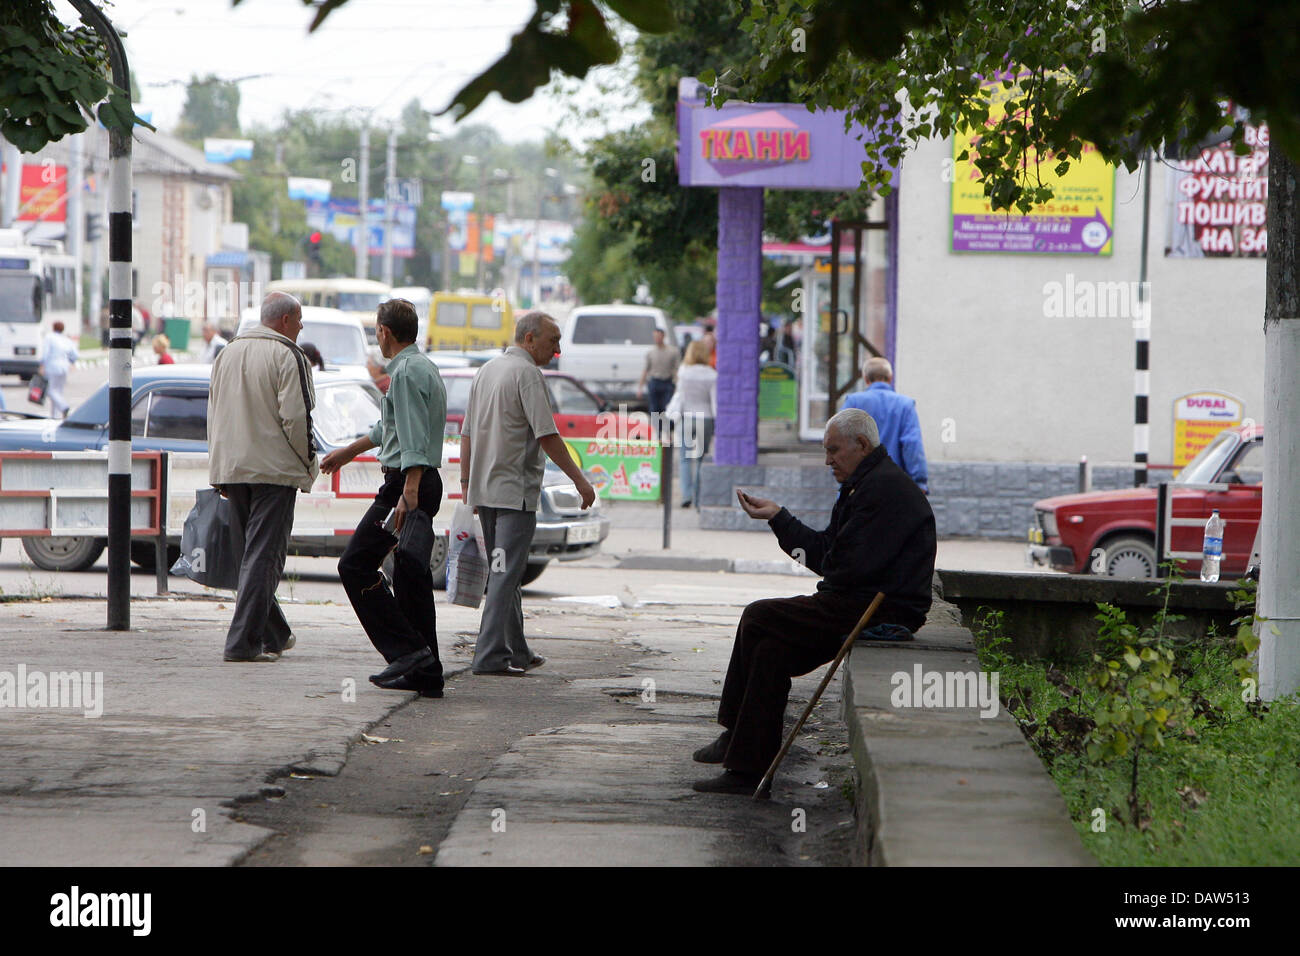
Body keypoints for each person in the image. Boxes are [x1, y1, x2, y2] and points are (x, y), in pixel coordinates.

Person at [692, 408, 936, 795]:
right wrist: (778, 517)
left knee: (758, 616)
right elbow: (828, 554)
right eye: (825, 451)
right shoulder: (864, 484)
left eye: (833, 450)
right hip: (853, 598)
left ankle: (733, 735)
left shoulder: (883, 489)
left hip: (878, 609)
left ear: (861, 444)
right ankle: (745, 770)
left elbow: (840, 565)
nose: (827, 461)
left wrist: (819, 574)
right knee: (770, 652)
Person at [322, 299, 448, 697]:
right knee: (411, 576)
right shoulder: (420, 366)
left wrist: (408, 488)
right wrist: (348, 451)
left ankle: (409, 651)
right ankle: (427, 674)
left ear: (384, 332)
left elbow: (411, 436)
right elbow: (387, 428)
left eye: (376, 331)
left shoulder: (407, 372)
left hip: (407, 484)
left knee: (355, 564)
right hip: (417, 479)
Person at [460, 312, 596, 675]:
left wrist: (465, 484)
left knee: (505, 569)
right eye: (553, 340)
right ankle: (489, 656)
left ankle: (516, 650)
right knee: (505, 574)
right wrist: (580, 480)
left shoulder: (488, 370)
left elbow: (467, 433)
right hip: (512, 494)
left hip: (486, 490)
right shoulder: (527, 374)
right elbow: (547, 436)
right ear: (530, 338)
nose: (558, 348)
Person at [208, 292, 319, 663]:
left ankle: (274, 634)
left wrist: (218, 468)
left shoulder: (228, 353)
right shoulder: (289, 355)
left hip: (233, 468)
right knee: (263, 558)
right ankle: (241, 644)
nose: (302, 327)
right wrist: (308, 462)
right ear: (285, 320)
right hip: (273, 471)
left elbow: (214, 414)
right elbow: (296, 418)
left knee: (250, 557)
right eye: (300, 319)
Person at [842, 357, 929, 493]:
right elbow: (912, 444)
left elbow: (839, 441)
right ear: (890, 378)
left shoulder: (853, 402)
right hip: (895, 487)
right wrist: (919, 481)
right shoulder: (905, 405)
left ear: (866, 379)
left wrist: (843, 477)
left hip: (859, 487)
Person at [676, 339, 717, 509]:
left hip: (686, 416)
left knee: (685, 459)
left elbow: (680, 397)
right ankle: (699, 499)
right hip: (705, 417)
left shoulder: (683, 372)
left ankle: (686, 495)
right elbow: (715, 401)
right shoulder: (712, 374)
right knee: (700, 459)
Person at [38, 321, 78, 419]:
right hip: (64, 367)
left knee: (50, 391)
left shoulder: (49, 337)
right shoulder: (66, 339)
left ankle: (64, 407)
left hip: (52, 366)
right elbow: (75, 354)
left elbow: (46, 353)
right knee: (58, 392)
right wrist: (71, 362)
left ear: (53, 327)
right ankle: (55, 416)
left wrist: (42, 365)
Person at [636, 327, 680, 415]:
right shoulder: (651, 352)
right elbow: (646, 370)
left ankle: (666, 426)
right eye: (655, 337)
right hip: (654, 381)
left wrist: (677, 385)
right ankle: (656, 426)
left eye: (659, 336)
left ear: (663, 336)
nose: (657, 339)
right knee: (654, 408)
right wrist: (640, 387)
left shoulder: (673, 351)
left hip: (667, 382)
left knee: (667, 406)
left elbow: (676, 369)